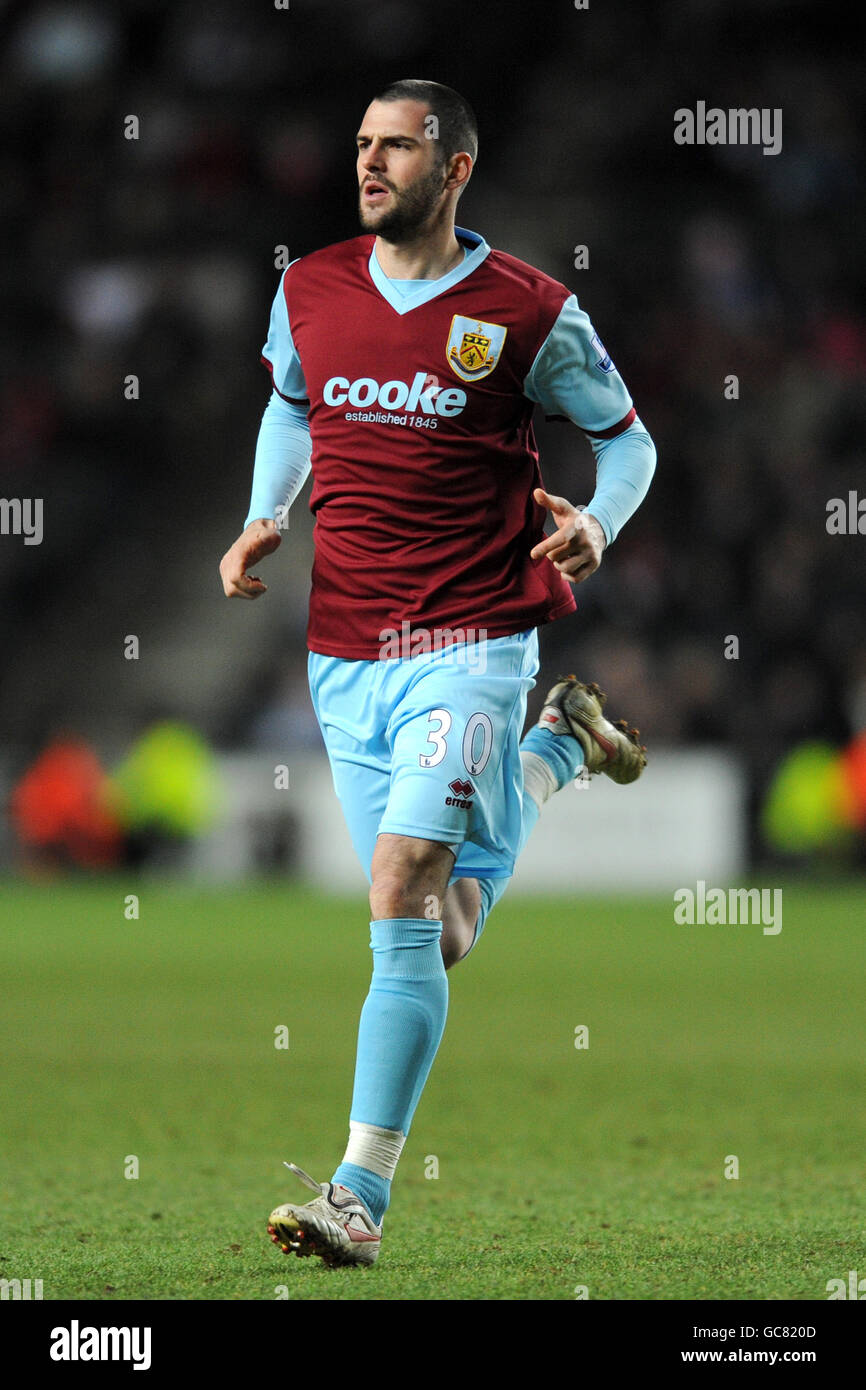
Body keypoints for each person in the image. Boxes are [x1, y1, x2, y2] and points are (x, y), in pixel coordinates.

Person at [219, 79, 656, 1267]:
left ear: (453, 167)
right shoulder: (307, 286)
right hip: (343, 650)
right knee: (439, 924)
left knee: (403, 880)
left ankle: (357, 1196)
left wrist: (599, 523)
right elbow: (288, 407)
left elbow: (627, 439)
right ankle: (563, 747)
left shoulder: (525, 308)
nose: (367, 164)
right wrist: (266, 512)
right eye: (361, 145)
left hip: (468, 637)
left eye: (394, 148)